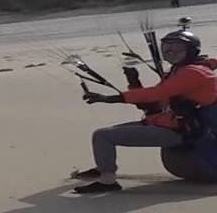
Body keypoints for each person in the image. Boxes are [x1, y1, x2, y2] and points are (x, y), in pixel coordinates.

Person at [72, 30, 217, 192]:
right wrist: (133, 80)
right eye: (166, 47)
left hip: (178, 132)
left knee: (103, 135)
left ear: (191, 50)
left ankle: (108, 180)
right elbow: (150, 104)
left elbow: (156, 93)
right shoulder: (179, 71)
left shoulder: (194, 73)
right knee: (104, 135)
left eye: (177, 47)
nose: (170, 52)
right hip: (167, 124)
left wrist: (109, 98)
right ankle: (102, 167)